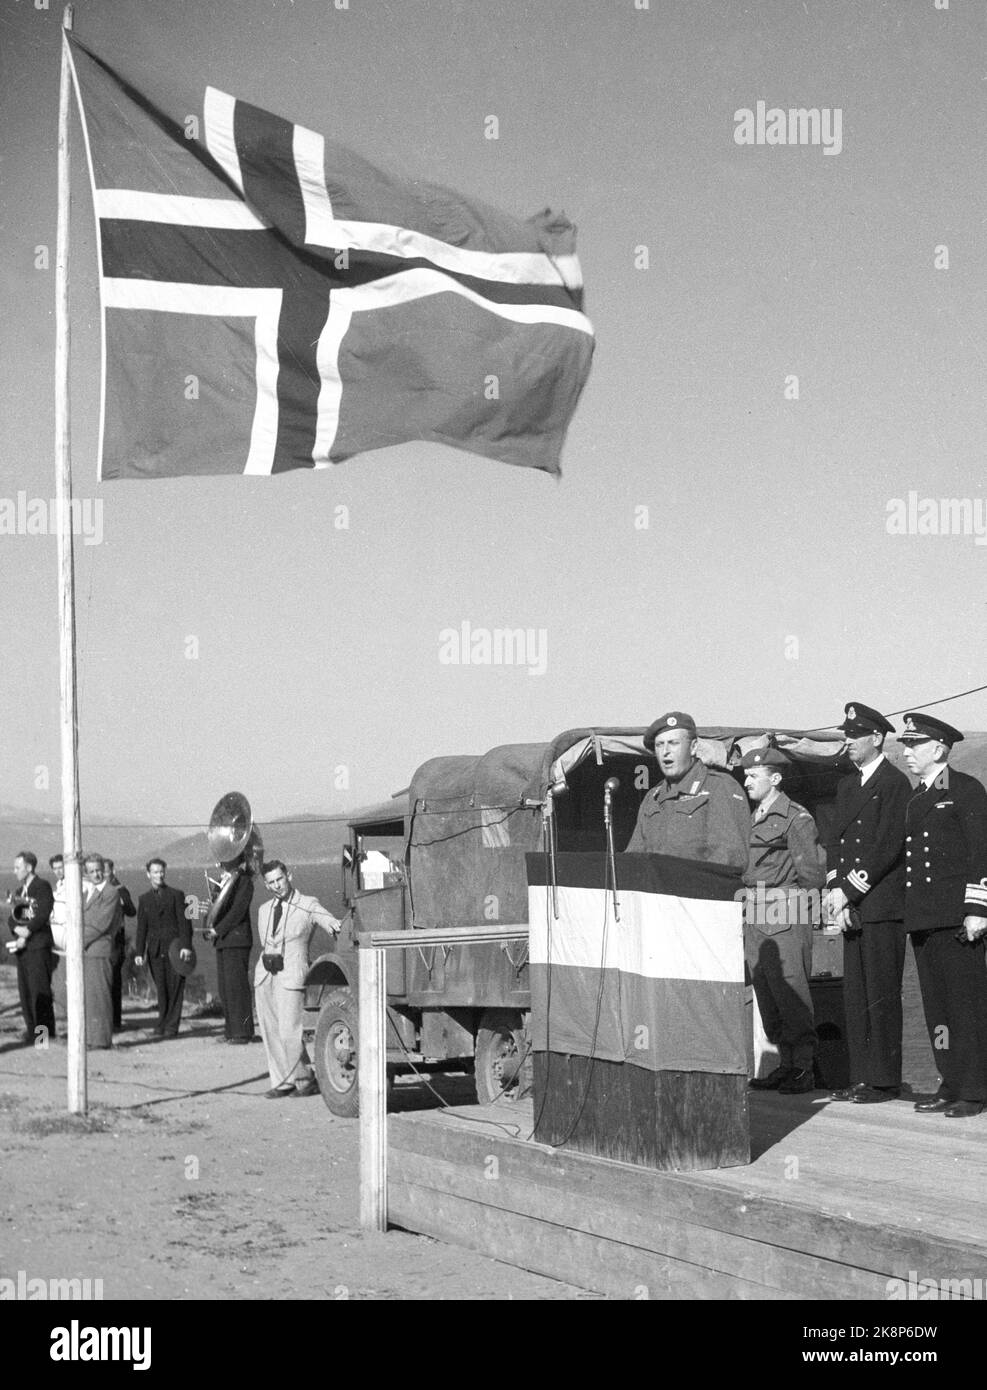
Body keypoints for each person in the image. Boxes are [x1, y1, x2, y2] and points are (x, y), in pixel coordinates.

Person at [899, 713, 987, 1119]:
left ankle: (973, 1088)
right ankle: (949, 1081)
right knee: (937, 1009)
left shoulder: (967, 789)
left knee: (965, 1006)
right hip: (924, 917)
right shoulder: (916, 798)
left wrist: (977, 909)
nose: (906, 752)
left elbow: (980, 853)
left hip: (957, 918)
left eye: (913, 745)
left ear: (938, 749)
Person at [823, 702, 910, 1105]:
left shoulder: (894, 784)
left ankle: (885, 1080)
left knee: (882, 993)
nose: (848, 742)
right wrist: (835, 894)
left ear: (876, 738)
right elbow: (835, 842)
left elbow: (888, 846)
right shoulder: (846, 786)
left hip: (881, 904)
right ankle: (862, 1077)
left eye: (855, 735)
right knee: (856, 995)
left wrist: (849, 890)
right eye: (845, 735)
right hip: (850, 904)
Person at [741, 749, 826, 1095]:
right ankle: (785, 1064)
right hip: (754, 912)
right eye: (745, 775)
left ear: (775, 779)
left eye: (753, 775)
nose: (746, 781)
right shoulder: (751, 816)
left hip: (784, 912)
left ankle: (803, 1068)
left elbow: (812, 874)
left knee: (791, 991)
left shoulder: (796, 818)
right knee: (767, 992)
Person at [255, 860, 339, 1098]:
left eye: (279, 879)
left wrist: (336, 926)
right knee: (270, 1031)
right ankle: (284, 1082)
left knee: (288, 1030)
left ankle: (305, 1079)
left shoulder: (308, 904)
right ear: (266, 884)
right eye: (271, 882)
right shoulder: (264, 909)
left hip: (291, 974)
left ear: (288, 875)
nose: (277, 885)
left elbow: (329, 921)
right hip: (264, 975)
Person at [625, 711, 750, 871]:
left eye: (673, 743)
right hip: (656, 893)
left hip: (697, 893)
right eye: (659, 745)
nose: (665, 751)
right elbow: (634, 856)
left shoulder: (719, 786)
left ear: (693, 747)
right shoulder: (652, 798)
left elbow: (729, 858)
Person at [134, 858, 193, 1038]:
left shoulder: (176, 895)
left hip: (175, 949)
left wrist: (186, 946)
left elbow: (185, 924)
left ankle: (171, 1027)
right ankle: (162, 1023)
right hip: (154, 951)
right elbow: (141, 927)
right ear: (148, 874)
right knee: (161, 988)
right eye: (155, 872)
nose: (159, 875)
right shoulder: (144, 899)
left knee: (175, 987)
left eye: (161, 871)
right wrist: (139, 952)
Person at [5, 852, 55, 1047]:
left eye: (18, 867)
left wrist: (29, 931)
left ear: (29, 867)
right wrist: (17, 929)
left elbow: (43, 912)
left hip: (37, 946)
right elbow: (13, 916)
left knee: (39, 992)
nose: (15, 871)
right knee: (25, 993)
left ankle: (43, 1037)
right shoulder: (20, 891)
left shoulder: (41, 887)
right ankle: (31, 1031)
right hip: (22, 949)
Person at [205, 856, 255, 1043]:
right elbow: (215, 909)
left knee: (237, 987)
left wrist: (217, 929)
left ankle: (242, 1033)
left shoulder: (243, 881)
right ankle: (231, 1031)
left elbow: (237, 912)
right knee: (226, 989)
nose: (220, 863)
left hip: (236, 939)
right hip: (223, 940)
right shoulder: (224, 881)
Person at [81, 854, 121, 1050]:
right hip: (87, 951)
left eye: (99, 870)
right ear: (86, 873)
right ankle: (91, 1038)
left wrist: (76, 941)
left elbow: (100, 924)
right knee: (90, 997)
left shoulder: (110, 892)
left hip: (99, 949)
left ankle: (101, 1040)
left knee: (100, 996)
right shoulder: (87, 892)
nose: (96, 874)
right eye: (92, 871)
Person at [104, 858, 136, 1032]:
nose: (103, 875)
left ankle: (115, 1021)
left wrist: (121, 902)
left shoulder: (120, 889)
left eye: (106, 871)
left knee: (114, 981)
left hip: (115, 942)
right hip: (100, 941)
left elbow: (132, 911)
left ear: (112, 872)